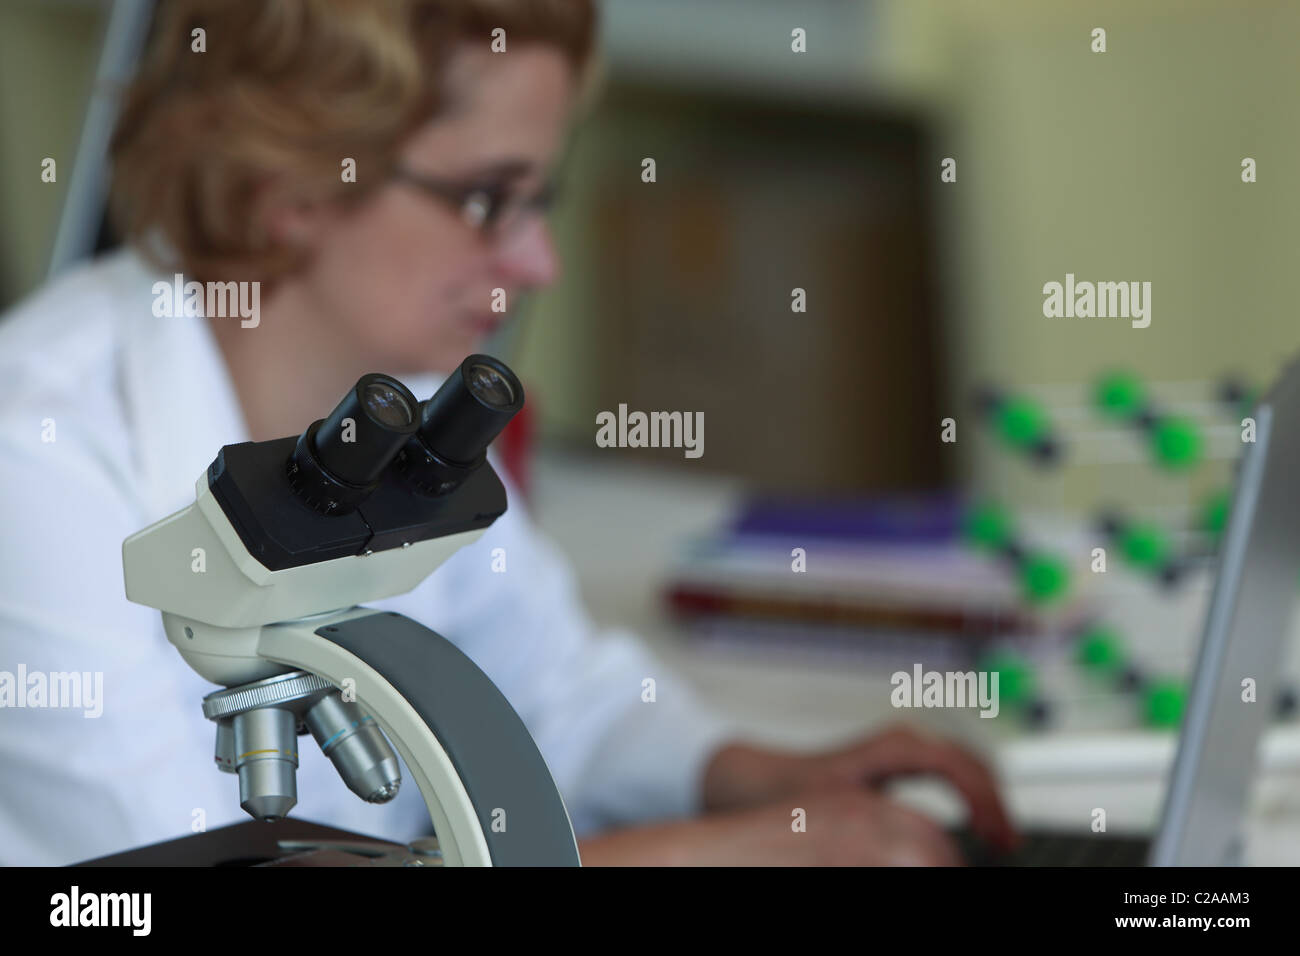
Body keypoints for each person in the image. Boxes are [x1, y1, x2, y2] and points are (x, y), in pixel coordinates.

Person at [0, 0, 1017, 866]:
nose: (538, 262)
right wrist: (732, 848)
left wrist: (760, 777)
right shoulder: (37, 456)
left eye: (542, 199)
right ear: (291, 184)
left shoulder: (403, 397)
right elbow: (175, 874)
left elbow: (552, 695)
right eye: (487, 200)